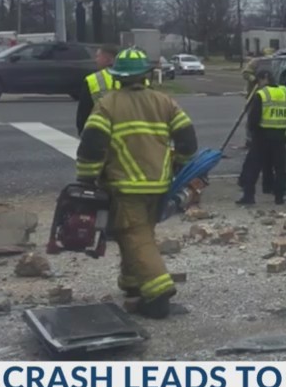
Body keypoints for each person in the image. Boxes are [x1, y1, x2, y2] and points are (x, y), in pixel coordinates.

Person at [75, 47, 197, 319]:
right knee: (137, 233)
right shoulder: (164, 101)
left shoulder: (108, 104)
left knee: (133, 234)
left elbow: (91, 147)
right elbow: (188, 139)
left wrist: (86, 178)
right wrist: (179, 162)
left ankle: (157, 292)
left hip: (125, 185)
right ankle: (132, 284)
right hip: (160, 183)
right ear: (146, 75)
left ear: (117, 76)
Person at [237, 69, 286, 206]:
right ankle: (279, 197)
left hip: (262, 136)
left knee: (253, 166)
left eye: (259, 80)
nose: (259, 84)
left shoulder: (262, 95)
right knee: (280, 168)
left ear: (265, 78)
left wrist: (252, 132)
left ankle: (248, 197)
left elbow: (254, 118)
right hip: (280, 136)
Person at [75, 44, 120, 136]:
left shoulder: (93, 80)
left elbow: (84, 111)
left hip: (101, 131)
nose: (96, 60)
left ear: (109, 59)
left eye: (98, 57)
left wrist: (82, 132)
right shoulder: (134, 78)